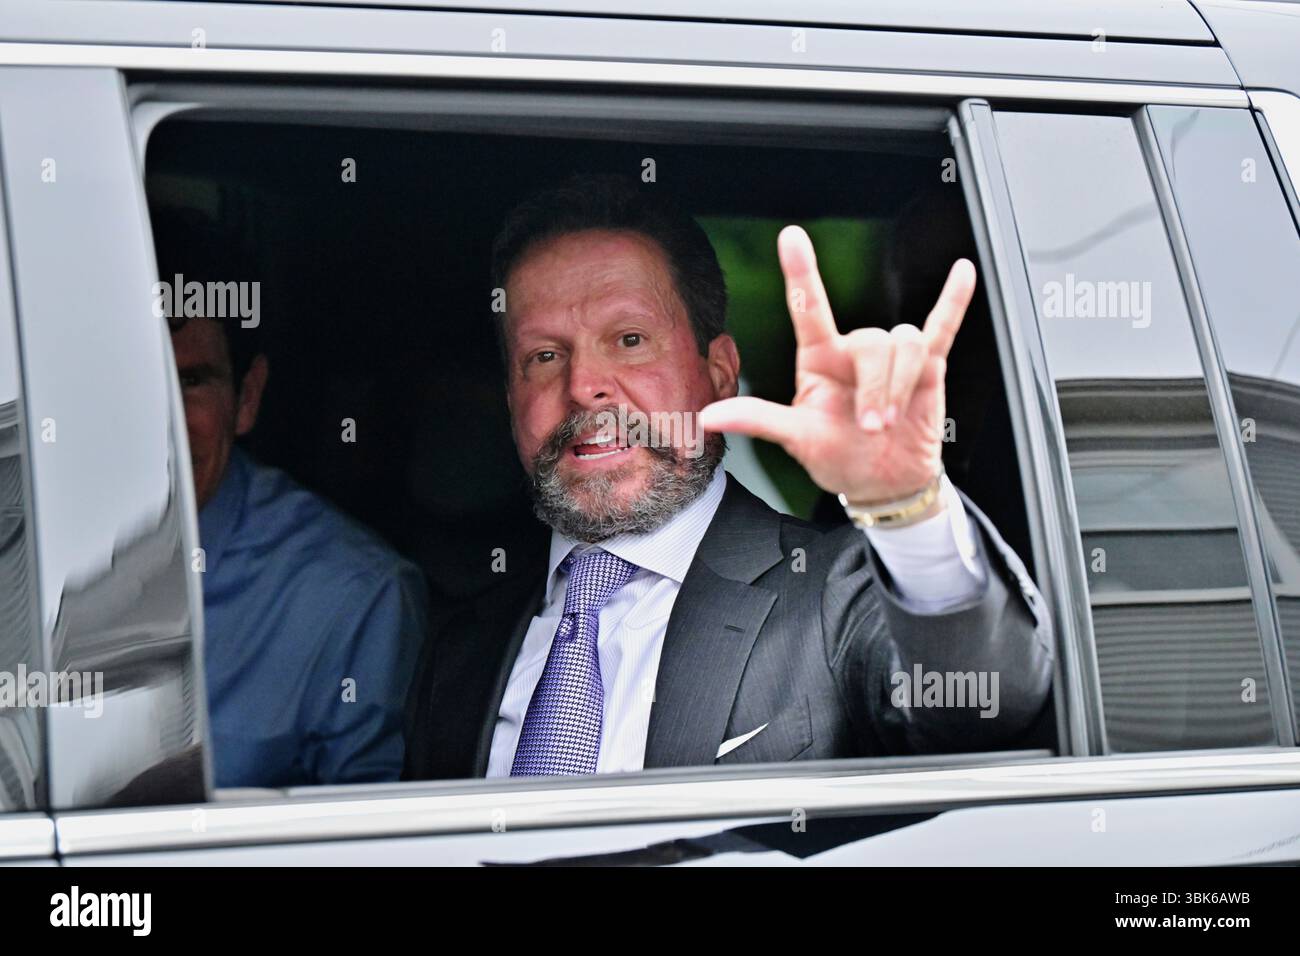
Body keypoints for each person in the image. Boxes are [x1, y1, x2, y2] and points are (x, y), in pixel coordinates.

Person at [404, 175, 1051, 779]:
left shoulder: (835, 594)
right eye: (543, 356)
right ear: (511, 400)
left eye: (629, 339)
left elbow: (989, 707)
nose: (583, 388)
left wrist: (905, 505)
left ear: (718, 370)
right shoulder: (461, 650)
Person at [160, 207, 428, 788]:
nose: (154, 421)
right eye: (122, 376)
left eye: (190, 382)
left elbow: (371, 850)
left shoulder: (351, 599)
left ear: (247, 396)